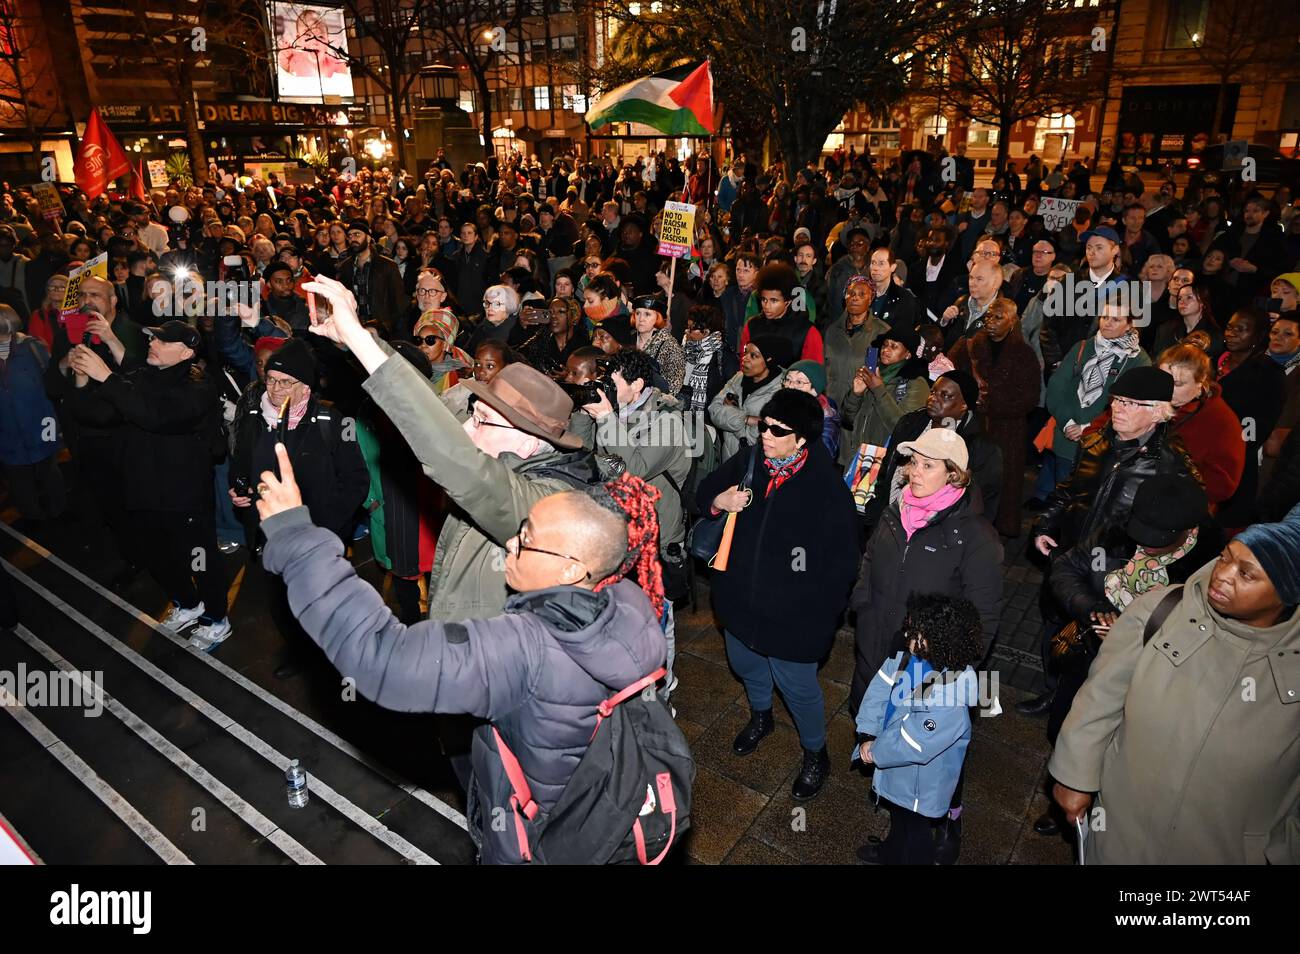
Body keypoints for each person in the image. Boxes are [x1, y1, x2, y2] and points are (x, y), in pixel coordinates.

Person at [257, 445, 671, 864]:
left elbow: (383, 657)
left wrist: (297, 538)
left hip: (535, 843)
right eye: (521, 528)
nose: (511, 542)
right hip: (595, 824)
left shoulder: (522, 649)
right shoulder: (630, 602)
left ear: (571, 570)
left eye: (528, 541)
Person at [299, 274, 612, 783]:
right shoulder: (505, 450)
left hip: (504, 703)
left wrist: (359, 336)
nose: (468, 427)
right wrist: (358, 339)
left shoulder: (543, 504)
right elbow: (430, 407)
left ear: (529, 442)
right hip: (468, 676)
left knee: (505, 809)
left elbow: (453, 458)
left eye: (482, 421)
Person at [1050, 505, 1300, 864]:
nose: (1222, 576)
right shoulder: (1162, 609)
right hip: (1120, 832)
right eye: (1226, 558)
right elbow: (1101, 696)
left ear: (1287, 593)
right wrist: (1075, 774)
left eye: (1246, 574)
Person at [696, 388, 859, 801]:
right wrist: (719, 500)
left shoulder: (827, 487)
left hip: (794, 618)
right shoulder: (751, 460)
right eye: (764, 424)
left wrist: (820, 615)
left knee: (799, 689)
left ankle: (815, 753)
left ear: (802, 438)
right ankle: (761, 717)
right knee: (747, 665)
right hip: (738, 600)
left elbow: (842, 566)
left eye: (777, 430)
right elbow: (700, 493)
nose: (765, 434)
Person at [849, 427, 1003, 862]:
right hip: (879, 650)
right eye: (912, 462)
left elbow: (984, 618)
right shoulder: (894, 510)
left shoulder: (976, 539)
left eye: (927, 465)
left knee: (929, 753)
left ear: (954, 477)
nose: (913, 472)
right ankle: (899, 819)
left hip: (932, 671)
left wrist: (952, 672)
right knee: (884, 732)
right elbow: (869, 563)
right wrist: (862, 608)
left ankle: (946, 819)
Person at [1032, 474, 1211, 838]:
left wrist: (1134, 635)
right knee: (1068, 727)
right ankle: (1063, 795)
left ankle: (1106, 812)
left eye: (1158, 539)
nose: (1145, 545)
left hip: (1152, 678)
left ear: (1188, 530)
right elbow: (1065, 569)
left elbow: (1205, 639)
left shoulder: (1209, 568)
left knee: (1124, 750)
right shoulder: (1116, 533)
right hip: (1089, 660)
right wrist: (1093, 609)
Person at [1020, 367, 1202, 716]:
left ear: (1158, 411)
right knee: (1055, 629)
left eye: (1132, 403)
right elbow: (1068, 491)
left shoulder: (1171, 468)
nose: (1118, 408)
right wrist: (1045, 524)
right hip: (1069, 558)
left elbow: (1185, 535)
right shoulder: (1095, 442)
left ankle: (1082, 707)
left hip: (1115, 576)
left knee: (1095, 650)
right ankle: (1054, 691)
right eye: (1117, 399)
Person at [65, 320, 231, 649]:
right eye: (153, 337)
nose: (152, 343)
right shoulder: (143, 377)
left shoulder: (198, 385)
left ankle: (215, 617)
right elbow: (95, 414)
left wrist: (108, 378)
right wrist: (83, 377)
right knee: (157, 554)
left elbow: (156, 416)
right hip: (143, 488)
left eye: (161, 341)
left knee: (199, 556)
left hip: (184, 493)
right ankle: (186, 603)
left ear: (186, 352)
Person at [227, 338, 369, 671]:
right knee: (281, 600)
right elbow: (240, 462)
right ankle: (300, 652)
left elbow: (356, 481)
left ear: (305, 387)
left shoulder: (330, 423)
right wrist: (239, 490)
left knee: (319, 600)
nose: (274, 389)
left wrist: (328, 526)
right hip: (269, 534)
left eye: (285, 382)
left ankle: (328, 654)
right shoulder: (252, 414)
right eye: (271, 379)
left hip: (315, 536)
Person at [853, 594, 985, 865]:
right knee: (899, 821)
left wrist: (875, 751)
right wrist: (867, 732)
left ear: (938, 640)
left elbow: (915, 743)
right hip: (896, 765)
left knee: (916, 834)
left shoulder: (949, 694)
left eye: (915, 633)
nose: (906, 635)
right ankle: (891, 852)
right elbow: (879, 689)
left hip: (919, 784)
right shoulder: (906, 659)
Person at [1033, 301, 1149, 506]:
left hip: (1102, 444)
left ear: (1130, 325)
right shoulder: (1083, 347)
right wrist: (1068, 422)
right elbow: (1056, 387)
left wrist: (1087, 428)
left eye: (1116, 319)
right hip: (1067, 437)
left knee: (1090, 503)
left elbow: (1131, 405)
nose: (1108, 323)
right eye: (1105, 317)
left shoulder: (1138, 360)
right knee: (1062, 500)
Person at [948, 297, 1041, 536]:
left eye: (998, 317)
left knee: (1005, 482)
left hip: (1008, 431)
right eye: (988, 316)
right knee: (968, 477)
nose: (990, 321)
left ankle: (997, 530)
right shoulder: (970, 347)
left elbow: (1029, 398)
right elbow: (947, 372)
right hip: (974, 428)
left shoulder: (1024, 355)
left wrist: (990, 404)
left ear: (1012, 321)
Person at [1217, 308, 1287, 530]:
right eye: (1229, 327)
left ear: (1258, 337)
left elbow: (1257, 427)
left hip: (1234, 461)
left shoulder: (1269, 374)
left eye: (1241, 329)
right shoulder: (1210, 361)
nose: (1232, 333)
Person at [0, 305, 65, 524]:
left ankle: (60, 510)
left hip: (40, 422)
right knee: (18, 476)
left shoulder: (32, 347)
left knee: (48, 469)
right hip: (6, 428)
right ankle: (32, 515)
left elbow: (52, 379)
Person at [1157, 344, 1243, 509]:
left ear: (1200, 383)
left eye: (1178, 384)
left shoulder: (1222, 422)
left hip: (1181, 507)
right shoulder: (1147, 396)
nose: (1167, 388)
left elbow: (1222, 486)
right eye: (1162, 379)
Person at [839, 324, 930, 467]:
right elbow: (847, 419)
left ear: (908, 354)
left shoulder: (915, 383)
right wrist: (856, 394)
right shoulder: (873, 373)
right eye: (885, 345)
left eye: (894, 346)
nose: (886, 350)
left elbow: (905, 430)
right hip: (857, 459)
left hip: (884, 464)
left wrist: (879, 390)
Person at [709, 334, 790, 460]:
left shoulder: (780, 393)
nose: (745, 358)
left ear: (769, 360)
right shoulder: (739, 378)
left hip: (754, 463)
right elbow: (713, 410)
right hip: (728, 459)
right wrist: (747, 419)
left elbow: (750, 440)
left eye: (754, 356)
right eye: (746, 352)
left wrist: (736, 417)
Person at [336, 221, 405, 334]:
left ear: (368, 238)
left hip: (381, 329)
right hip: (355, 328)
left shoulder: (387, 266)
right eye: (350, 236)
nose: (353, 239)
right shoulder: (345, 267)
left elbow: (398, 302)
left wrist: (387, 326)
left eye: (357, 234)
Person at [782, 359, 841, 460]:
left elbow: (821, 459)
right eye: (788, 380)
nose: (790, 386)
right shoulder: (782, 408)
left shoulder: (827, 423)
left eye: (799, 382)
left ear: (814, 390)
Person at [630, 293, 685, 395]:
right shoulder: (627, 338)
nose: (641, 319)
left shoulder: (670, 346)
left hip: (655, 406)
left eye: (647, 314)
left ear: (658, 317)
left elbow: (674, 387)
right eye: (638, 313)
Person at [412, 308, 472, 394]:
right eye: (418, 340)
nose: (423, 345)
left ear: (445, 345)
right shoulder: (409, 367)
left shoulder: (460, 376)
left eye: (430, 340)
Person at [680, 304, 726, 412]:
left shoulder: (722, 355)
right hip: (685, 412)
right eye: (687, 327)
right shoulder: (688, 349)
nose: (687, 331)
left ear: (706, 332)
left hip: (709, 416)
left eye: (691, 328)